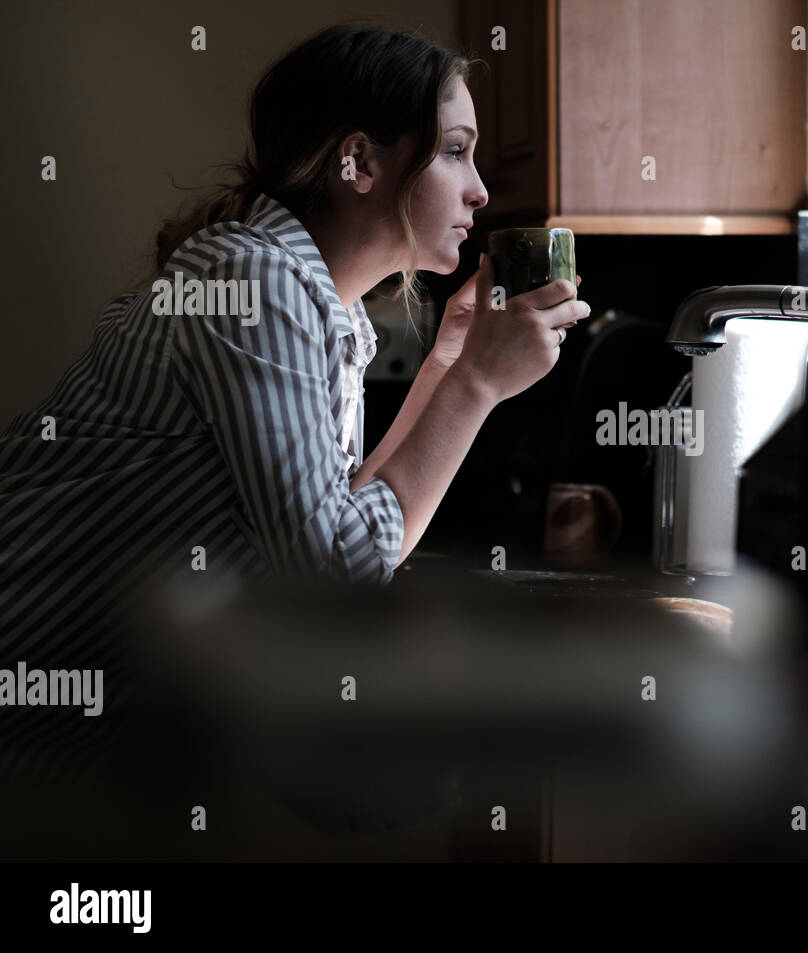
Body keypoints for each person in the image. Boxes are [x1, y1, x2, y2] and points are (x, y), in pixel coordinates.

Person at [0, 25, 587, 781]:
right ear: (359, 161)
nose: (479, 187)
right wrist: (476, 387)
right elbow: (331, 580)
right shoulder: (254, 281)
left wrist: (448, 364)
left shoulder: (318, 310)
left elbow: (354, 533)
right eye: (453, 150)